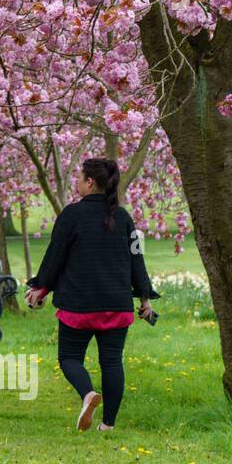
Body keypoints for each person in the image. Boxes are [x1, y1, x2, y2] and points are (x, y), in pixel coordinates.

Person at [26, 157, 158, 432]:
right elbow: (137, 259)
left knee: (69, 358)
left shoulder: (71, 215)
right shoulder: (122, 218)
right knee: (112, 362)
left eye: (78, 177)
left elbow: (55, 257)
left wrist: (41, 287)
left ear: (90, 182)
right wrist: (145, 298)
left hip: (79, 305)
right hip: (116, 304)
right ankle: (108, 425)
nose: (76, 181)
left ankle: (87, 394)